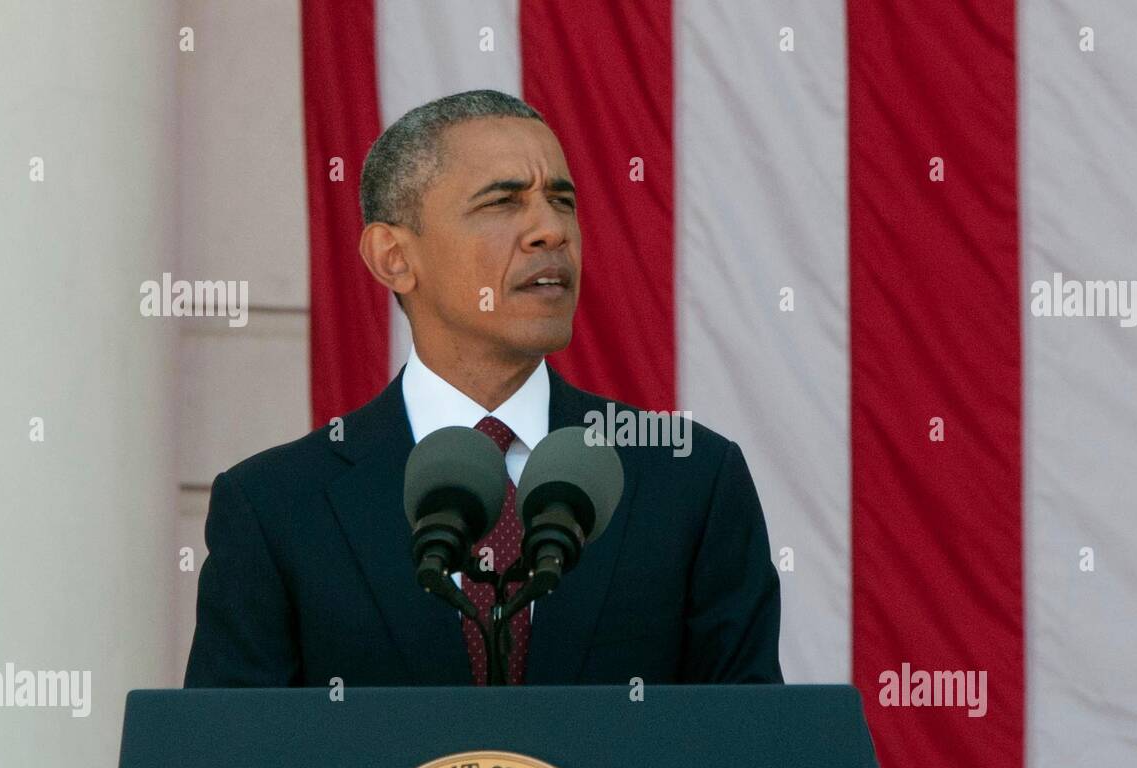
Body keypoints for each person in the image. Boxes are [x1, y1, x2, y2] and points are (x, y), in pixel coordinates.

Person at [184, 89, 782, 688]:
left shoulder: (691, 481)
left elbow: (755, 757)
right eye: (502, 203)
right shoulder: (276, 509)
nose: (551, 231)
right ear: (393, 256)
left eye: (562, 201)